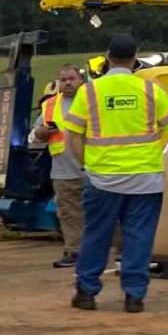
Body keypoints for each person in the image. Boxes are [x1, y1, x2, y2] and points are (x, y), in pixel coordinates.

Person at [59, 33, 168, 313]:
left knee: (96, 235)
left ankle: (87, 292)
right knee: (139, 237)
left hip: (103, 177)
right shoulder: (150, 89)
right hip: (146, 178)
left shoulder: (90, 91)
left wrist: (86, 164)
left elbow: (73, 135)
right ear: (135, 56)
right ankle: (134, 296)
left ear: (107, 56)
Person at [33, 64, 119, 270]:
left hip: (97, 167)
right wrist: (44, 132)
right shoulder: (50, 105)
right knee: (69, 213)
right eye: (63, 80)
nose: (67, 83)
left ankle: (122, 250)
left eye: (71, 79)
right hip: (64, 170)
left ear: (81, 80)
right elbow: (35, 135)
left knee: (109, 210)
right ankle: (74, 250)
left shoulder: (94, 102)